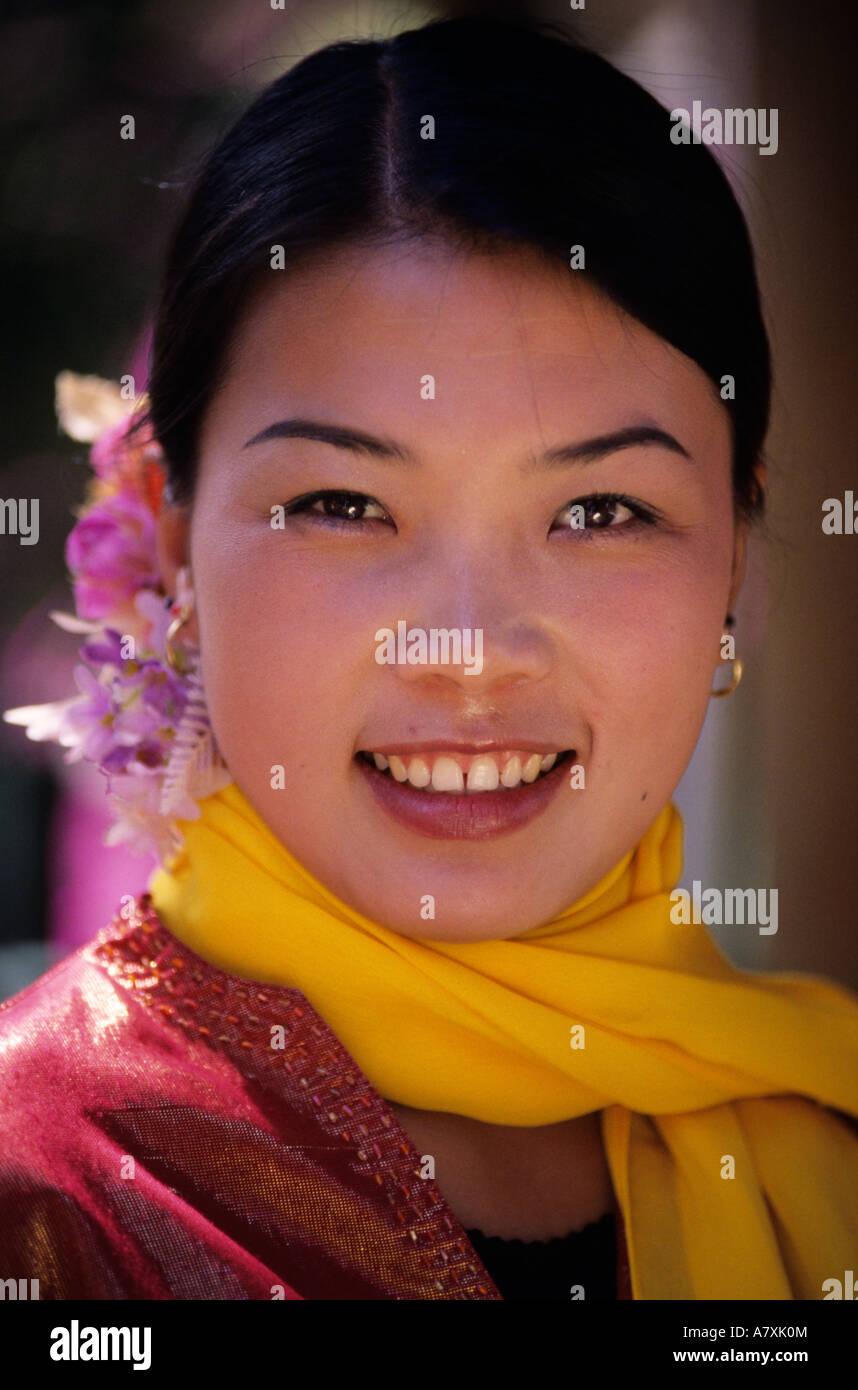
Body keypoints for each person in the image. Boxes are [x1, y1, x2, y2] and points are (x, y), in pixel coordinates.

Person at [2, 13, 857, 1302]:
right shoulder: (41, 1185)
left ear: (734, 557)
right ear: (172, 549)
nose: (470, 654)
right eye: (342, 505)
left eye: (599, 512)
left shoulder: (830, 1134)